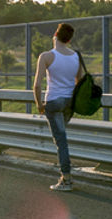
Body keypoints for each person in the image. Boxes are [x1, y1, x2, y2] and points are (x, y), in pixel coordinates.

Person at [33, 22, 84, 191]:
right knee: (62, 138)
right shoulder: (76, 56)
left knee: (61, 141)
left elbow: (37, 85)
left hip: (54, 102)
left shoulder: (46, 56)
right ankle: (65, 176)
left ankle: (66, 179)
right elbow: (80, 82)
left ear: (55, 34)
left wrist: (40, 104)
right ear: (69, 39)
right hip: (69, 103)